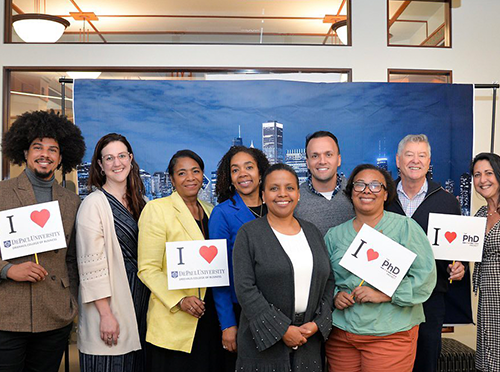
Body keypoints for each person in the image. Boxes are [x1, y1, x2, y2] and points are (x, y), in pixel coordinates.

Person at [325, 164, 436, 372]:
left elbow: (425, 278)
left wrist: (383, 294)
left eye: (376, 185)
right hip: (341, 335)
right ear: (351, 193)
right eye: (359, 185)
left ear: (386, 195)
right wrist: (335, 295)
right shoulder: (334, 235)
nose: (367, 190)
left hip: (390, 335)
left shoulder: (406, 228)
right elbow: (324, 280)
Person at [0, 110, 85, 372]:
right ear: (24, 153)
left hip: (55, 314)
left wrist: (70, 300)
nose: (44, 154)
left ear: (61, 158)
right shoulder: (2, 193)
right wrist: (8, 269)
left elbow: (72, 258)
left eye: (52, 149)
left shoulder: (72, 201)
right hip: (7, 313)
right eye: (37, 147)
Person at [233, 163, 335, 371]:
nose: (282, 194)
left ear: (298, 194)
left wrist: (317, 323)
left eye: (289, 188)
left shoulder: (312, 232)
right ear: (263, 196)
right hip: (262, 344)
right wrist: (281, 329)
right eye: (274, 188)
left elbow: (328, 281)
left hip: (309, 341)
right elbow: (245, 288)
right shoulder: (249, 234)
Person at [137, 150, 224, 372]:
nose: (190, 178)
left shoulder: (211, 211)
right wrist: (180, 300)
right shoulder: (157, 209)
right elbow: (148, 269)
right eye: (182, 173)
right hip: (176, 317)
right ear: (172, 178)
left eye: (196, 171)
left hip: (210, 316)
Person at [385, 134, 465, 372]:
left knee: (425, 362)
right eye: (409, 155)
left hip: (430, 299)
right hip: (386, 298)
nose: (415, 161)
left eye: (421, 155)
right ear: (398, 160)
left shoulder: (448, 202)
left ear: (429, 162)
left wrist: (459, 268)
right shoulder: (382, 199)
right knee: (387, 362)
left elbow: (457, 254)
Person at [76, 133, 150, 372]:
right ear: (100, 164)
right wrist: (105, 314)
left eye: (121, 156)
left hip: (142, 301)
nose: (117, 163)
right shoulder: (93, 204)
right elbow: (91, 265)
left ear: (131, 158)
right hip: (111, 302)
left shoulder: (144, 202)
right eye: (109, 158)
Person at [208, 146, 270, 369]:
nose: (242, 173)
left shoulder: (277, 206)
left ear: (261, 173)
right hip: (240, 310)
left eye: (249, 167)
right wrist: (227, 324)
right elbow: (218, 273)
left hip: (277, 307)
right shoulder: (222, 213)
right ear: (230, 178)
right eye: (235, 170)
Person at [470, 152, 500, 372]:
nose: (482, 180)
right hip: (487, 295)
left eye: (488, 173)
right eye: (477, 174)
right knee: (489, 353)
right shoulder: (479, 215)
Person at [294, 130, 354, 236]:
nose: (322, 161)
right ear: (307, 163)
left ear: (338, 160)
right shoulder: (295, 198)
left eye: (328, 154)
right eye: (315, 156)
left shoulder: (356, 192)